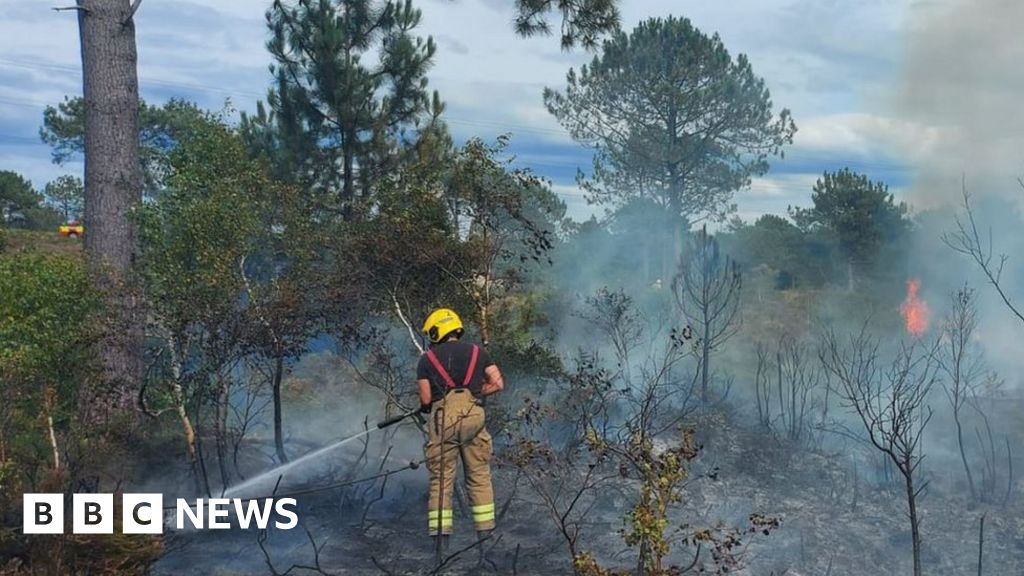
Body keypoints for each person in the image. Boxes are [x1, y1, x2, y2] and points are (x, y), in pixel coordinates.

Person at [417, 308, 504, 550]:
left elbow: (425, 400)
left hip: (443, 419)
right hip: (474, 416)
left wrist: (429, 405)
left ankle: (440, 547)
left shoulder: (427, 359)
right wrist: (475, 393)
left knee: (441, 481)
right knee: (479, 477)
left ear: (436, 331)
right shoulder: (479, 352)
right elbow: (498, 383)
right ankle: (486, 543)